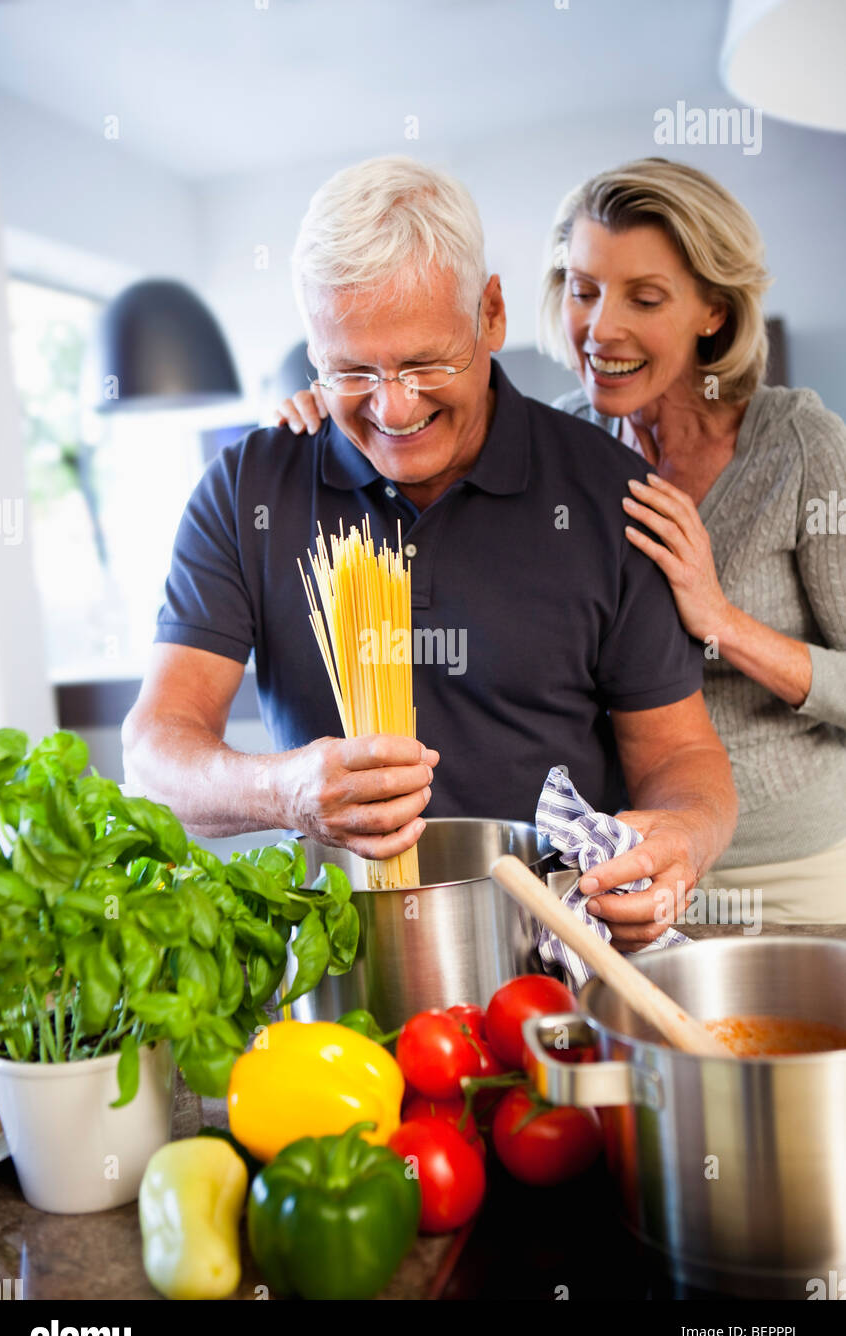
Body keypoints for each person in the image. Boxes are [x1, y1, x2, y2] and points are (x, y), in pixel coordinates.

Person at [122, 155, 737, 951]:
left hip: (558, 956)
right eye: (351, 371)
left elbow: (684, 755)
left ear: (491, 314)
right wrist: (284, 789)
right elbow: (152, 756)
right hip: (340, 966)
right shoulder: (249, 492)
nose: (393, 407)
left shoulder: (608, 492)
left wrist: (682, 837)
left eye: (423, 363)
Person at [537, 158, 846, 926]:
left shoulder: (799, 447)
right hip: (626, 870)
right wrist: (326, 405)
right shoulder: (564, 446)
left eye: (644, 298)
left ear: (712, 310)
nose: (601, 327)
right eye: (583, 290)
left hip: (793, 875)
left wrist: (722, 621)